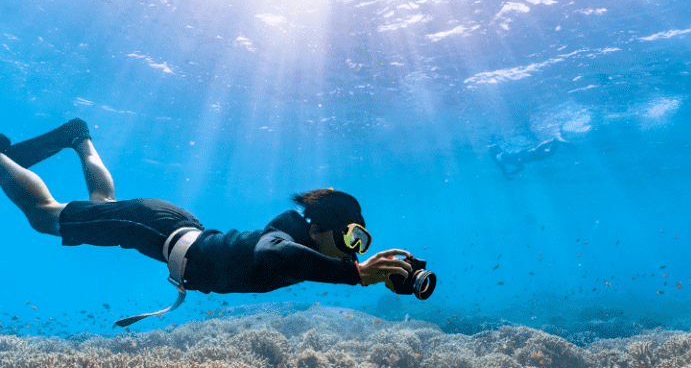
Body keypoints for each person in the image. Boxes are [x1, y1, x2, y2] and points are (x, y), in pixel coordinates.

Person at [0, 119, 413, 326]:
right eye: (351, 238)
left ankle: (78, 137)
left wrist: (368, 271)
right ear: (321, 229)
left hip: (171, 226)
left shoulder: (298, 239)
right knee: (43, 217)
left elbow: (290, 258)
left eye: (361, 242)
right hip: (156, 228)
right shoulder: (284, 239)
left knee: (102, 203)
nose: (354, 248)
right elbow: (272, 252)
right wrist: (355, 273)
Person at [489, 135, 568, 179]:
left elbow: (512, 156)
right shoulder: (500, 158)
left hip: (524, 156)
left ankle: (553, 140)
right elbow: (519, 167)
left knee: (537, 151)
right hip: (526, 159)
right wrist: (510, 174)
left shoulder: (500, 156)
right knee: (549, 154)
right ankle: (556, 141)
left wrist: (509, 173)